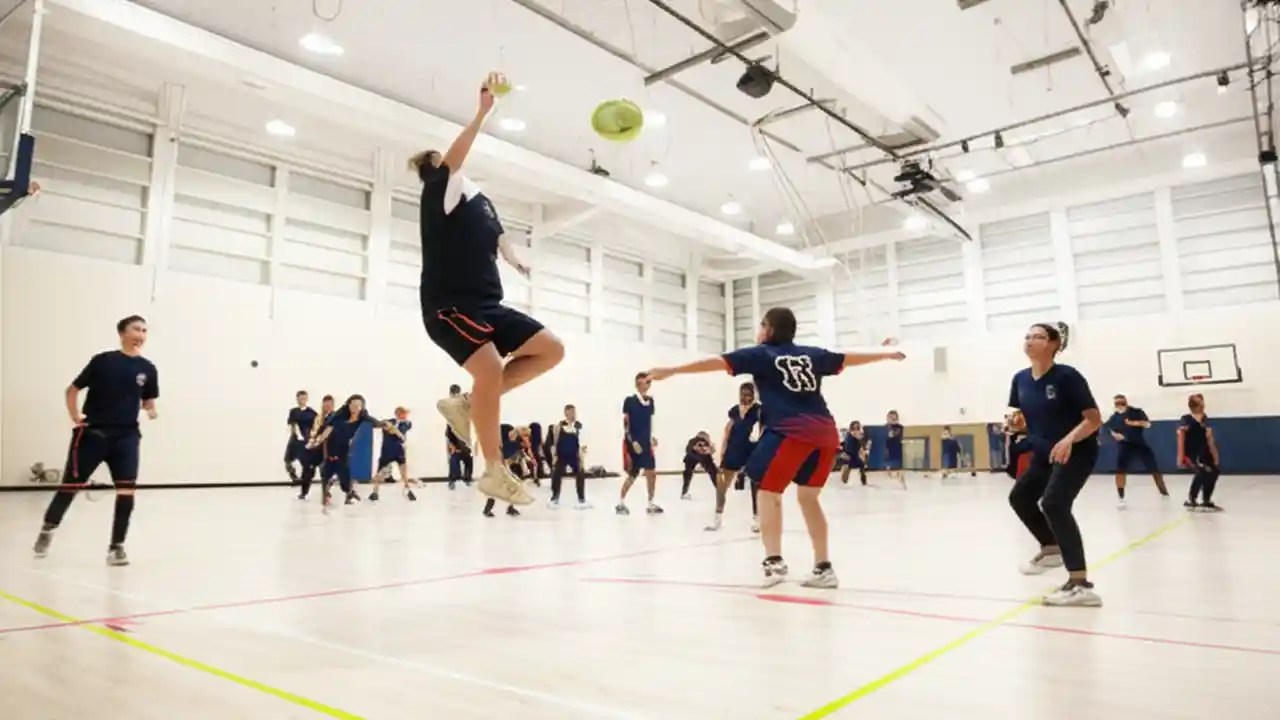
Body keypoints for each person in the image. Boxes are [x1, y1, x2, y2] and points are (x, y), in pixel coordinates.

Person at [645, 307, 905, 588]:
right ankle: (823, 568)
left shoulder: (762, 354)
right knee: (808, 498)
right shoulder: (811, 354)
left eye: (760, 325)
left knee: (768, 493)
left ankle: (774, 563)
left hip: (791, 431)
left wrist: (671, 370)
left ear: (768, 330)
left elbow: (716, 362)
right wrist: (886, 355)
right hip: (826, 434)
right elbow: (847, 358)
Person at [416, 72, 565, 508]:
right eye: (441, 159)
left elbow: (499, 237)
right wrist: (483, 112)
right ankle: (494, 470)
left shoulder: (479, 201)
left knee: (551, 350)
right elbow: (453, 161)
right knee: (488, 369)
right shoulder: (439, 191)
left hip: (488, 303)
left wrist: (517, 260)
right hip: (449, 305)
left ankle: (466, 406)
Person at [33, 315, 158, 566]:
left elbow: (147, 400)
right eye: (136, 329)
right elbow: (72, 389)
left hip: (126, 438)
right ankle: (48, 529)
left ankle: (116, 547)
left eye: (145, 330)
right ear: (122, 332)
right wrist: (75, 415)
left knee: (126, 492)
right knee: (70, 486)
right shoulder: (103, 361)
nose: (141, 335)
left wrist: (150, 409)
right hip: (93, 435)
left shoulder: (148, 368)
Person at [1007, 322, 1104, 607]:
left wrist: (1069, 440)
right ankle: (1051, 549)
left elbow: (1094, 418)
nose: (1030, 340)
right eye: (1027, 336)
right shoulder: (1020, 379)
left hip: (1076, 450)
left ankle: (1080, 584)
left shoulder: (1067, 377)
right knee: (1020, 497)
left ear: (1053, 344)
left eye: (1037, 336)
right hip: (1044, 453)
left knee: (1054, 504)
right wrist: (1018, 424)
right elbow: (1028, 415)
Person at [308, 394, 379, 508]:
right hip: (331, 448)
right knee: (326, 474)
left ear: (361, 407)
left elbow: (376, 422)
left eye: (358, 405)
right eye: (353, 405)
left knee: (344, 481)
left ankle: (349, 492)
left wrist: (388, 426)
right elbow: (327, 430)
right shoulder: (339, 416)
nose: (355, 407)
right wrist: (317, 441)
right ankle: (326, 496)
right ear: (348, 405)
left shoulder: (362, 417)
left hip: (343, 451)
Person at [709, 382, 762, 532]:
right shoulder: (734, 411)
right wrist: (723, 452)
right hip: (733, 450)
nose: (744, 397)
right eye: (742, 394)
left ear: (754, 395)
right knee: (721, 484)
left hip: (751, 450)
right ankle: (717, 519)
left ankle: (757, 519)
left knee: (755, 484)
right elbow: (728, 431)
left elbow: (763, 429)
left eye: (748, 394)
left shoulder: (759, 411)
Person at [1106, 394, 1168, 508]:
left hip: (1139, 443)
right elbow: (1109, 429)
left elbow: (1148, 424)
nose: (1120, 405)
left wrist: (1134, 423)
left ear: (1126, 402)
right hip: (1124, 445)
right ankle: (1120, 495)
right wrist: (1114, 434)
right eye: (1117, 403)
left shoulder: (1136, 412)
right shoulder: (1114, 418)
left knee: (1153, 467)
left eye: (1122, 403)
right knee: (1120, 470)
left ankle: (1163, 491)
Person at [618, 373, 661, 515]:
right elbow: (626, 423)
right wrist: (632, 441)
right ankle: (621, 502)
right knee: (633, 474)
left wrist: (651, 437)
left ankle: (651, 503)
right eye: (642, 382)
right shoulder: (630, 401)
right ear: (637, 384)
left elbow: (648, 422)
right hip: (634, 442)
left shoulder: (651, 402)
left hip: (646, 442)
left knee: (651, 473)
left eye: (648, 382)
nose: (646, 385)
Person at [1178, 393, 1222, 512]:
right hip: (1193, 453)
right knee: (1201, 472)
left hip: (1205, 451)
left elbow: (1210, 438)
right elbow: (1181, 435)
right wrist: (1181, 457)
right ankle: (1192, 499)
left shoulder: (1205, 418)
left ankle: (1206, 499)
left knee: (1214, 472)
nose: (1202, 405)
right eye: (1199, 403)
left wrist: (1215, 454)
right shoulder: (1186, 419)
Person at [548, 404, 591, 509]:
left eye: (574, 412)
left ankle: (581, 499)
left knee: (580, 474)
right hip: (562, 455)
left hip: (574, 455)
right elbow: (554, 441)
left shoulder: (578, 426)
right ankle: (555, 498)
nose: (573, 414)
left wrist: (582, 456)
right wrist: (554, 455)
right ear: (566, 413)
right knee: (556, 474)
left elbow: (582, 442)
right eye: (571, 412)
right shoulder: (559, 426)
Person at [371, 407, 415, 502]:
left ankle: (408, 490)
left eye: (405, 413)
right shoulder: (389, 421)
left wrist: (392, 429)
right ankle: (375, 492)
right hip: (387, 450)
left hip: (399, 450)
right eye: (403, 413)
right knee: (381, 472)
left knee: (403, 471)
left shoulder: (407, 423)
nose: (405, 415)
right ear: (397, 413)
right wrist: (386, 425)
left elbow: (398, 433)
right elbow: (382, 425)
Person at [483, 424, 523, 517]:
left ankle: (510, 507)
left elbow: (515, 456)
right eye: (511, 434)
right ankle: (488, 508)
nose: (513, 436)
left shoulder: (511, 443)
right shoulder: (502, 444)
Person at [285, 391, 317, 485]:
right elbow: (293, 424)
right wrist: (297, 435)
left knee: (306, 461)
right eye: (300, 398)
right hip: (295, 438)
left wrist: (312, 437)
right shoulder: (294, 411)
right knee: (287, 459)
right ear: (297, 399)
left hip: (306, 438)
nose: (302, 400)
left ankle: (305, 480)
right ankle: (294, 476)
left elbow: (316, 425)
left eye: (304, 398)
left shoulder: (311, 412)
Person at [681, 432, 717, 501]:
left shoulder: (692, 441)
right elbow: (709, 452)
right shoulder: (702, 442)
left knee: (688, 472)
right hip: (696, 456)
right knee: (713, 471)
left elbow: (688, 450)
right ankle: (719, 490)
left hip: (691, 457)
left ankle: (684, 492)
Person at [839, 421, 869, 486]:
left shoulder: (854, 434)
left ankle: (863, 480)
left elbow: (861, 445)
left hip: (853, 454)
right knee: (849, 466)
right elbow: (856, 436)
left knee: (861, 465)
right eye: (854, 427)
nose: (855, 429)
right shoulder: (851, 434)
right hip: (848, 454)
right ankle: (844, 479)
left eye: (857, 427)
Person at [883, 410, 905, 488]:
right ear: (887, 418)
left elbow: (894, 435)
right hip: (887, 451)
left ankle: (901, 482)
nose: (892, 419)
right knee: (888, 470)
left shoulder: (900, 427)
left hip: (897, 451)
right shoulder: (884, 428)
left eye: (894, 418)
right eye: (890, 417)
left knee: (898, 469)